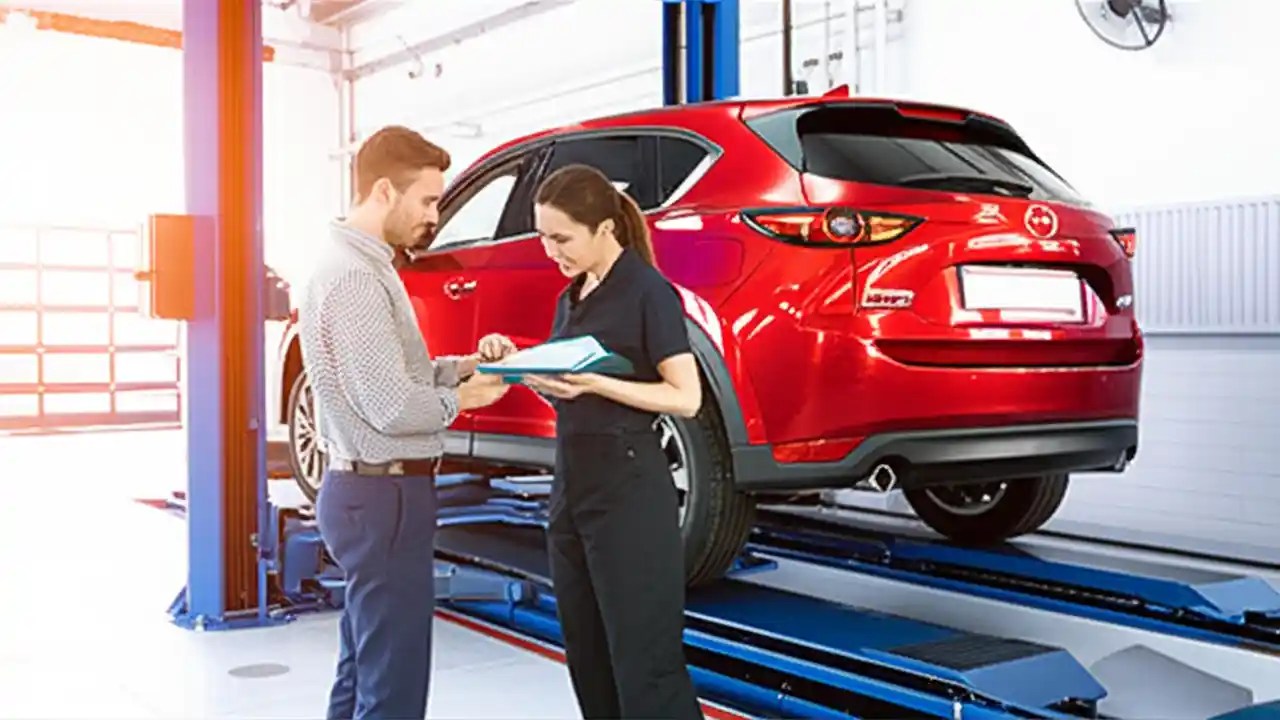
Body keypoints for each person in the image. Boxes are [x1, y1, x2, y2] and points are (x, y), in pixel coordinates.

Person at [297, 125, 517, 720]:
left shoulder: (362, 263)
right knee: (392, 683)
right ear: (384, 192)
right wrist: (463, 398)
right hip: (384, 494)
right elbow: (392, 406)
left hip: (371, 492)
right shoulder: (356, 277)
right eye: (427, 200)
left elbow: (399, 375)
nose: (434, 216)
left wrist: (466, 366)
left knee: (366, 665)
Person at [516, 163, 705, 719]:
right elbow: (575, 398)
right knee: (588, 654)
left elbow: (686, 397)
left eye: (561, 238)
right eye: (544, 237)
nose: (551, 251)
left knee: (644, 663)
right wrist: (536, 377)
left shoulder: (648, 292)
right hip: (573, 488)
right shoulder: (571, 297)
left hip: (629, 491)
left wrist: (599, 383)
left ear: (604, 228)